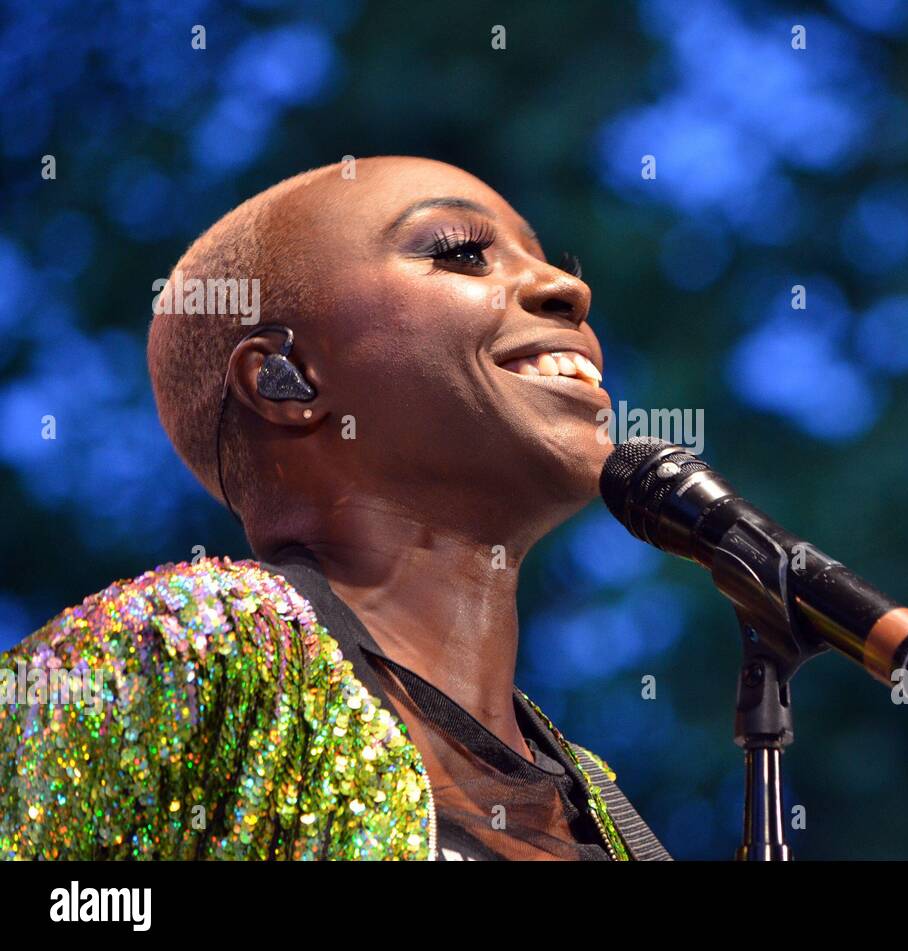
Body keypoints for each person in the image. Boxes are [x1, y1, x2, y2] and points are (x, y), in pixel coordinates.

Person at [0, 156, 669, 861]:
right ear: (285, 381)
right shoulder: (198, 646)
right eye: (461, 252)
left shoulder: (598, 802)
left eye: (554, 260)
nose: (569, 288)